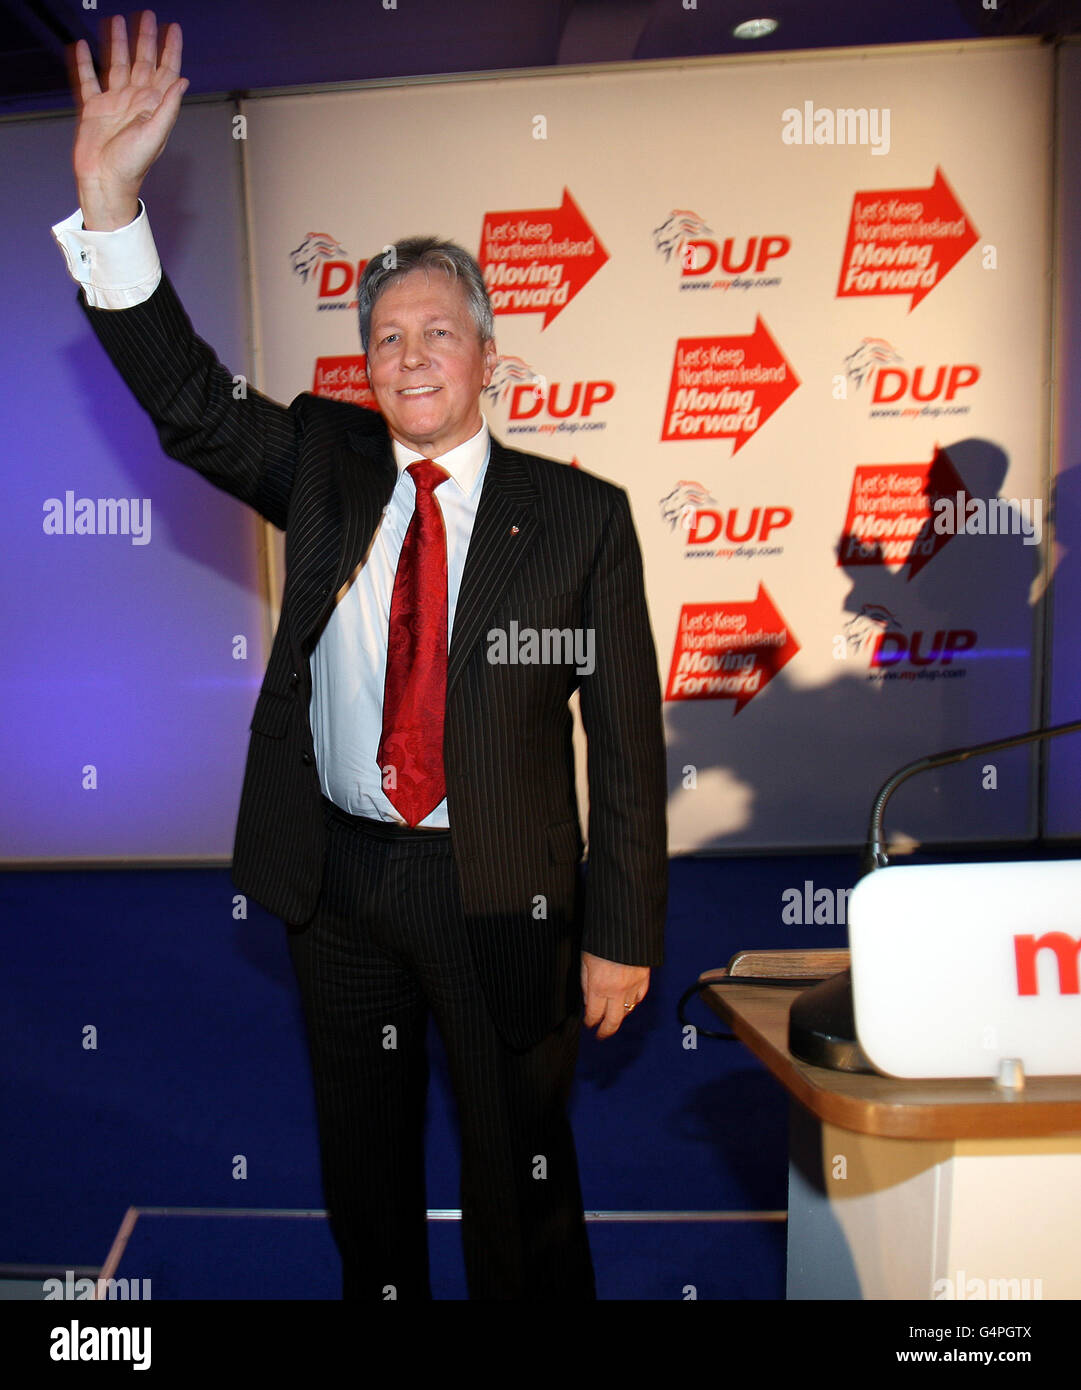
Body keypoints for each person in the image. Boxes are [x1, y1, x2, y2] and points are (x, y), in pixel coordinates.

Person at [54, 11, 667, 1300]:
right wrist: (110, 199)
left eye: (437, 331)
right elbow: (185, 401)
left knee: (522, 1177)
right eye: (386, 336)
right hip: (336, 884)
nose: (409, 354)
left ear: (490, 359)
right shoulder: (324, 464)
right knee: (364, 1169)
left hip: (501, 892)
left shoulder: (578, 517)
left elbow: (624, 744)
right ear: (366, 366)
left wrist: (617, 929)